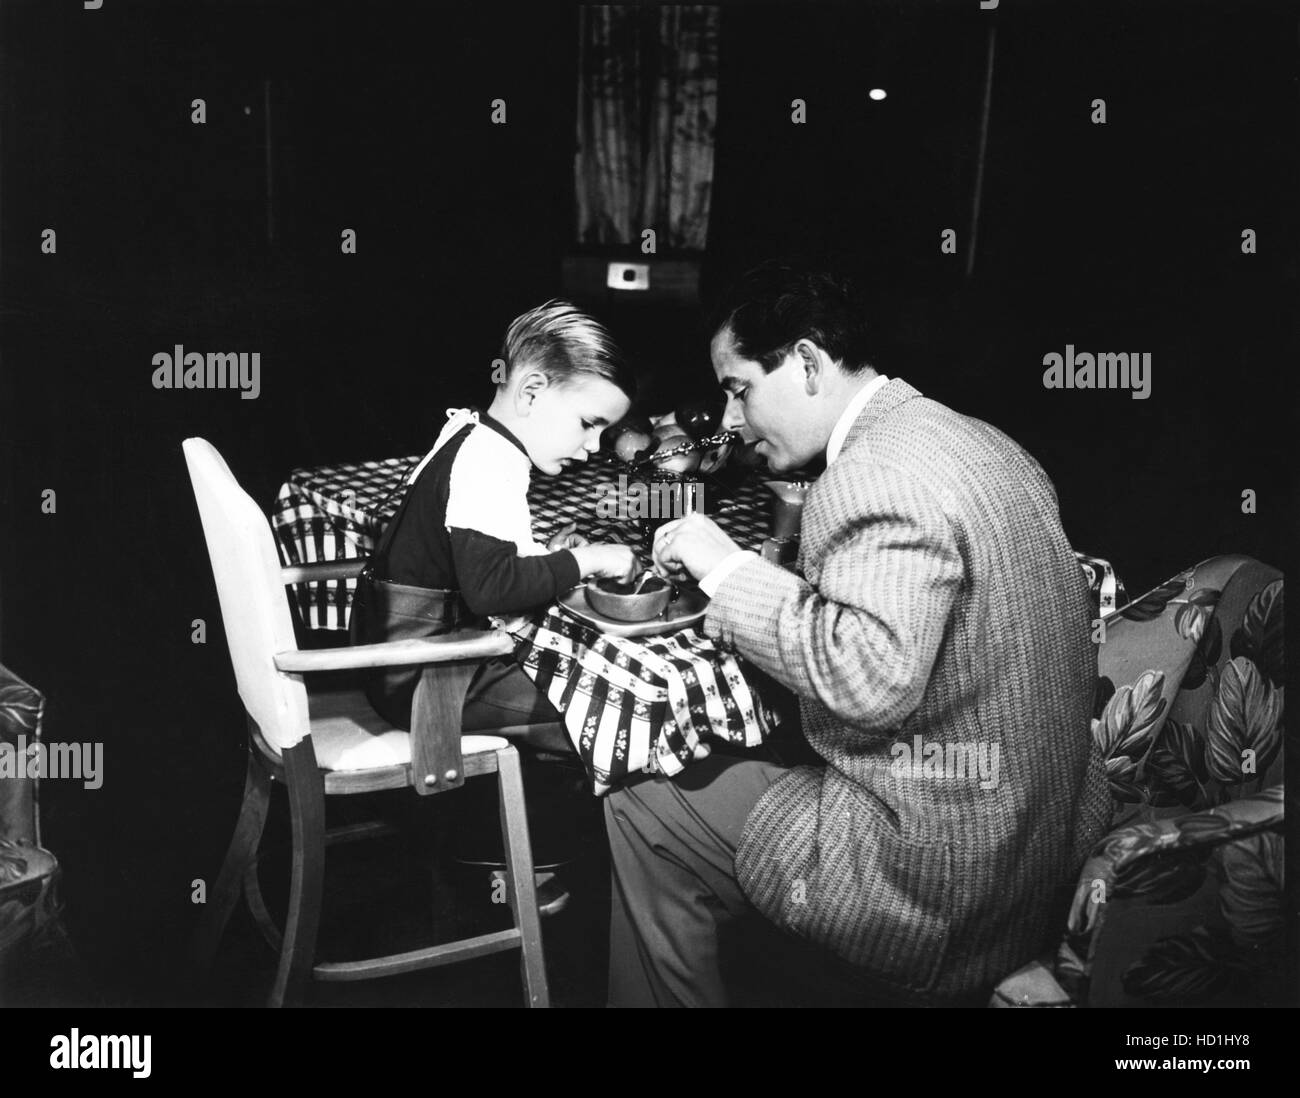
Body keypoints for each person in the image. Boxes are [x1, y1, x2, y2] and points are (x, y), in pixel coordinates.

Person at [604, 265, 1112, 1006]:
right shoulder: (978, 439)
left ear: (808, 363)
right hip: (1044, 847)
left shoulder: (868, 472)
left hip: (944, 889)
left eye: (739, 387)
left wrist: (725, 568)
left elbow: (869, 678)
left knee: (641, 800)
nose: (733, 418)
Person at [357, 299, 640, 736]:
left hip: (408, 666)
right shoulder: (489, 461)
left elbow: (468, 562)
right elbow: (492, 590)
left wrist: (545, 557)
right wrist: (591, 561)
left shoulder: (474, 434)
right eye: (588, 423)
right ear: (530, 392)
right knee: (621, 703)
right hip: (431, 681)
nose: (596, 446)